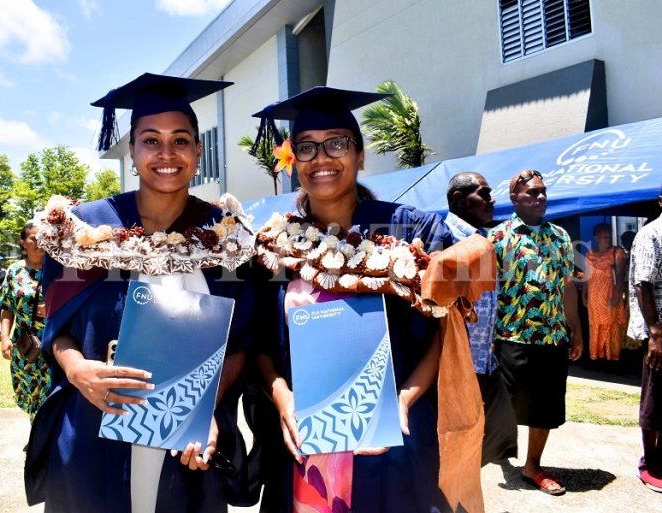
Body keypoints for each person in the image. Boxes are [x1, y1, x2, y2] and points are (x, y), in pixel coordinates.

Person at [24, 73, 258, 513]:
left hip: (188, 442)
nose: (166, 154)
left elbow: (241, 341)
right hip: (96, 426)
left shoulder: (227, 236)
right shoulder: (82, 230)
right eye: (150, 140)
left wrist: (205, 410)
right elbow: (56, 326)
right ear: (131, 152)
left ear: (198, 151)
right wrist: (78, 372)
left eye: (181, 140)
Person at [247, 87, 484, 513]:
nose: (321, 158)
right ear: (292, 163)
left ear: (360, 155)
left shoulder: (413, 231)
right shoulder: (276, 244)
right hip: (305, 441)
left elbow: (445, 329)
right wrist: (282, 400)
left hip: (394, 442)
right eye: (306, 148)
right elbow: (261, 341)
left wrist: (405, 399)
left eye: (336, 143)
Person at [489, 169, 583, 496]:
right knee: (503, 406)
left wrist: (577, 330)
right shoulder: (498, 238)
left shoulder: (559, 236)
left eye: (542, 192)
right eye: (531, 193)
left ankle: (532, 466)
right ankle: (495, 457)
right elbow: (486, 293)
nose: (539, 197)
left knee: (545, 406)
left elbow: (568, 286)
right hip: (511, 337)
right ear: (514, 198)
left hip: (552, 338)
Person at [445, 171, 518, 466]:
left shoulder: (483, 240)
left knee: (496, 439)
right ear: (460, 199)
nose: (492, 200)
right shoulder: (445, 239)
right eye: (484, 194)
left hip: (484, 361)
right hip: (458, 366)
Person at [0, 223, 52, 420]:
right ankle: (36, 438)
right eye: (33, 238)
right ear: (23, 242)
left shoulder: (59, 269)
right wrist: (4, 338)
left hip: (54, 342)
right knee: (30, 391)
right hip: (25, 345)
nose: (39, 242)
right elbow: (7, 307)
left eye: (44, 238)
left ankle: (48, 440)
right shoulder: (14, 271)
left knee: (51, 394)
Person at [626, 190, 662, 492]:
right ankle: (650, 463)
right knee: (655, 400)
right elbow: (643, 285)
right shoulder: (651, 233)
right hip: (660, 333)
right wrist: (656, 334)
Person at [582, 223, 628, 361]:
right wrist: (584, 294)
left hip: (609, 294)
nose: (607, 239)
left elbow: (620, 277)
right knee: (595, 325)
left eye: (609, 236)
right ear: (596, 237)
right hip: (594, 297)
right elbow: (587, 275)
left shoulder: (617, 252)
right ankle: (597, 356)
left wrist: (615, 296)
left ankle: (611, 356)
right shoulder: (589, 253)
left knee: (610, 324)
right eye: (604, 237)